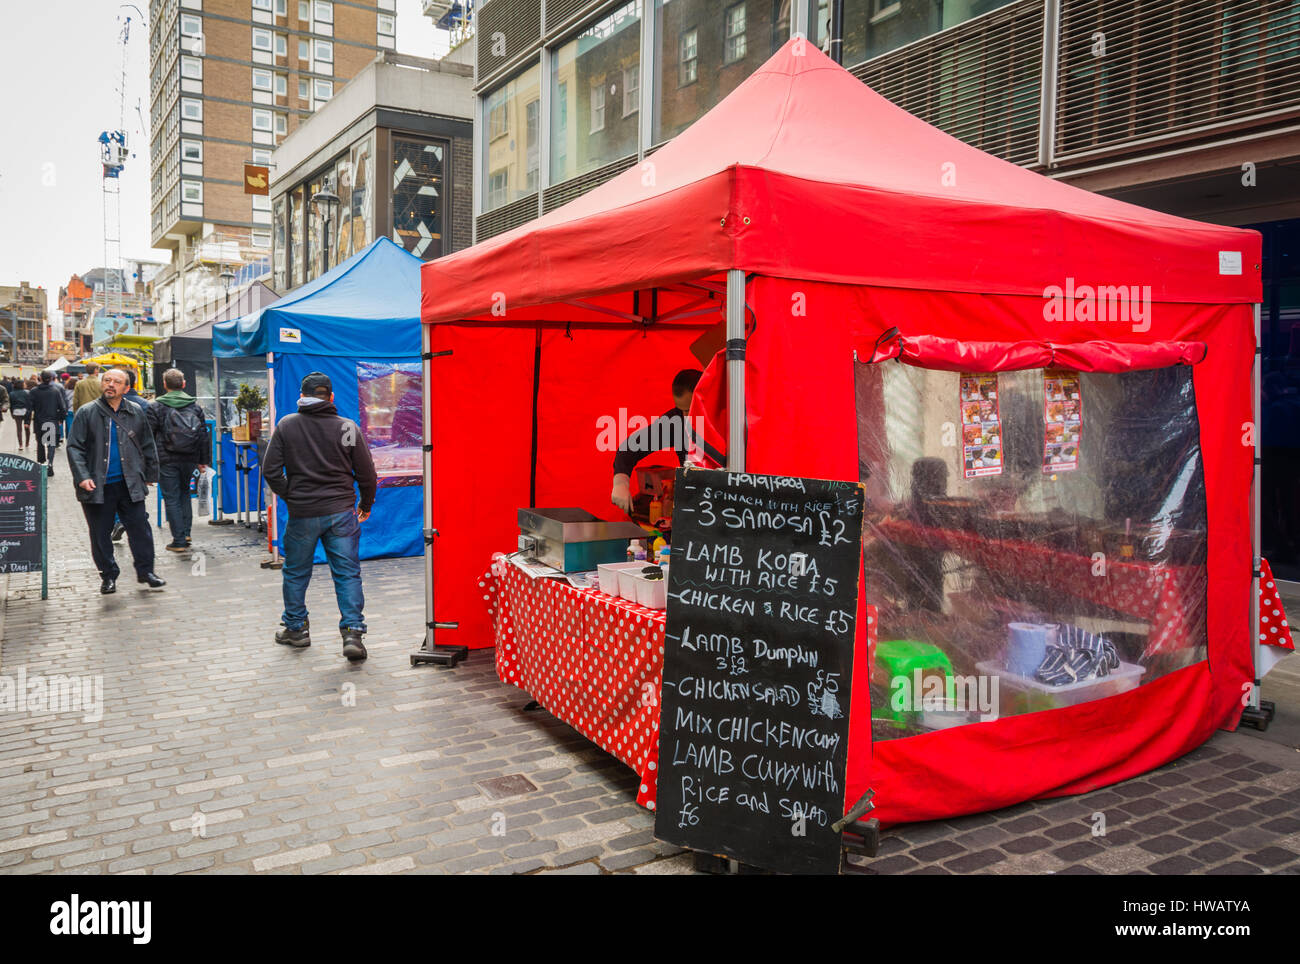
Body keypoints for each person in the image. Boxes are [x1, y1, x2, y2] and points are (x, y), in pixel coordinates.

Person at [261, 372, 377, 661]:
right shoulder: (348, 428)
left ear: (302, 396)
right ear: (332, 397)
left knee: (297, 572)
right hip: (341, 513)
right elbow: (367, 474)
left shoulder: (287, 426)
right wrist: (366, 503)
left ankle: (296, 629)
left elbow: (271, 471)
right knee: (347, 573)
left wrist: (292, 495)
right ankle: (352, 632)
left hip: (303, 513)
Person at [66, 368, 165, 594]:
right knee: (100, 533)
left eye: (116, 382)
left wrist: (149, 475)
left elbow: (148, 443)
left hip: (130, 483)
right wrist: (82, 477)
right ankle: (108, 575)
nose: (110, 384)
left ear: (126, 388)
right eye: (107, 380)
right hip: (97, 485)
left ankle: (146, 571)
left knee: (140, 528)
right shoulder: (87, 412)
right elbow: (74, 447)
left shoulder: (136, 411)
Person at [610, 368, 710, 514]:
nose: (685, 416)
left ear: (706, 396)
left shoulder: (731, 419)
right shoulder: (677, 421)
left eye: (690, 409)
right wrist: (620, 481)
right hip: (694, 509)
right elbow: (630, 447)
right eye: (680, 409)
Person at [147, 368, 211, 552]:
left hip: (166, 458)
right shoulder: (194, 406)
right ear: (183, 384)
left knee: (171, 498)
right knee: (184, 493)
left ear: (165, 384)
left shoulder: (156, 406)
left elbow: (148, 437)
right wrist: (203, 461)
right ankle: (186, 532)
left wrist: (149, 464)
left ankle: (179, 540)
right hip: (190, 458)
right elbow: (203, 436)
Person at [30, 371, 67, 476]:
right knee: (51, 445)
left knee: (40, 443)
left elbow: (30, 407)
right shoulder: (55, 391)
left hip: (39, 421)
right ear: (51, 379)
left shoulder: (34, 391)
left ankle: (41, 464)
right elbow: (62, 407)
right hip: (51, 421)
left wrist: (28, 420)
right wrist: (61, 419)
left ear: (40, 378)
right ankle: (50, 464)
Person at [9, 378, 33, 450]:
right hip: (26, 411)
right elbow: (29, 404)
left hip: (16, 412)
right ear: (21, 385)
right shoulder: (27, 392)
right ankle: (27, 443)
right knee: (27, 428)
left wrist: (12, 414)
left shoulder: (11, 393)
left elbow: (11, 405)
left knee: (19, 429)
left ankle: (20, 445)